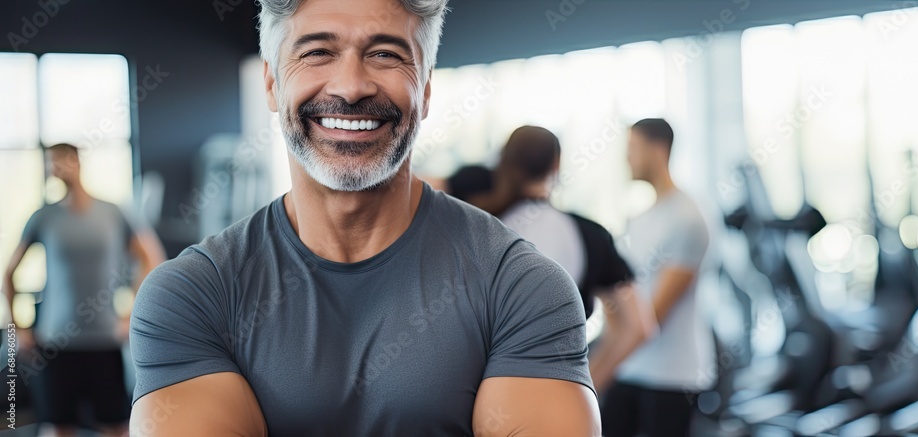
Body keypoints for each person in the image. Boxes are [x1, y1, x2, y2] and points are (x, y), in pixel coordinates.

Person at [128, 1, 600, 435]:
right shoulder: (189, 297)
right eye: (317, 52)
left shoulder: (522, 288)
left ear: (427, 88)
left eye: (386, 55)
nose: (351, 87)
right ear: (272, 83)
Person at [469, 126, 656, 395]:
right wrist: (586, 385)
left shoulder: (474, 225)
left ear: (505, 162)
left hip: (479, 401)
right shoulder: (588, 235)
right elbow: (639, 327)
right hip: (555, 402)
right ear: (557, 164)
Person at [2, 143, 166, 437]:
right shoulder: (44, 216)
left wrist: (131, 313)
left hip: (104, 340)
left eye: (58, 161)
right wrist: (18, 328)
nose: (53, 168)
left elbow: (151, 259)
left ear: (75, 162)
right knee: (57, 428)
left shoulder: (112, 212)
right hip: (54, 342)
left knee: (117, 427)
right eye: (48, 163)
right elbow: (8, 273)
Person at [601, 118, 714, 437]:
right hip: (631, 369)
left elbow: (651, 317)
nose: (627, 158)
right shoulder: (641, 218)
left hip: (671, 377)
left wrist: (599, 366)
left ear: (658, 149)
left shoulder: (688, 218)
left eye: (633, 148)